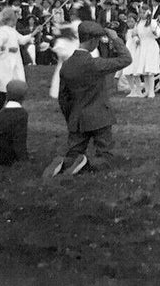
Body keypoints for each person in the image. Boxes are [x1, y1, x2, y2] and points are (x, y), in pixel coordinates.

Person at [46, 21, 133, 177]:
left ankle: (65, 162)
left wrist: (71, 118)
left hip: (77, 117)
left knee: (74, 150)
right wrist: (115, 38)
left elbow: (63, 97)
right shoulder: (95, 64)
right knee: (105, 157)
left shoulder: (66, 65)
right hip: (100, 116)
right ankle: (85, 165)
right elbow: (126, 59)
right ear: (93, 41)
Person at [0, 8, 39, 111]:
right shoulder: (3, 31)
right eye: (14, 19)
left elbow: (22, 40)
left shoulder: (12, 30)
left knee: (14, 84)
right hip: (5, 62)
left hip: (14, 61)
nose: (15, 20)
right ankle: (1, 110)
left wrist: (34, 32)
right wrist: (8, 49)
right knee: (5, 87)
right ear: (8, 19)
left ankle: (11, 107)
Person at [0, 80, 29, 166]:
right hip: (5, 155)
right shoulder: (21, 114)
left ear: (7, 95)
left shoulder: (2, 112)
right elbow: (19, 138)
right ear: (23, 97)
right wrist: (23, 158)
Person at [135, 9, 160, 99]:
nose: (141, 14)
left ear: (147, 13)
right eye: (140, 13)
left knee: (150, 69)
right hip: (142, 47)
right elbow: (135, 33)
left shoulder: (152, 22)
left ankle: (151, 91)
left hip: (151, 47)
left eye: (143, 13)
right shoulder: (138, 23)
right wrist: (137, 39)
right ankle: (147, 90)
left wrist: (156, 33)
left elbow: (159, 33)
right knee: (144, 70)